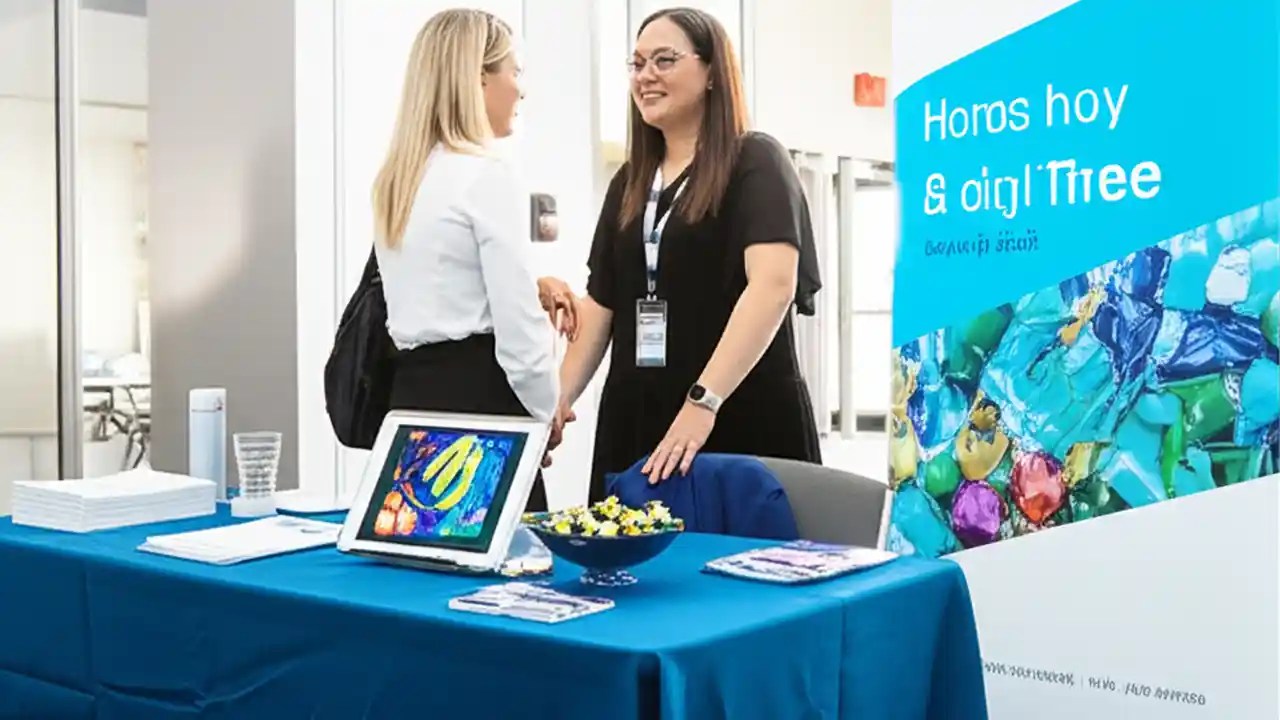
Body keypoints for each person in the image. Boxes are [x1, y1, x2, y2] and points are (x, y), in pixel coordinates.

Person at [556, 7, 823, 497]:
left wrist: (704, 401)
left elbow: (773, 285)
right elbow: (602, 303)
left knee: (739, 564)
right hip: (639, 418)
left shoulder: (755, 161)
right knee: (629, 567)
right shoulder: (630, 183)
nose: (646, 76)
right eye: (637, 64)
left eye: (664, 60)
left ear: (711, 73)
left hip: (733, 413)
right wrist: (558, 398)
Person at [371, 9, 577, 511]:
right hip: (482, 408)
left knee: (422, 564)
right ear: (478, 79)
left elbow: (441, 290)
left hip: (412, 406)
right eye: (514, 72)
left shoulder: (398, 181)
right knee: (509, 578)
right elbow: (518, 332)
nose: (520, 90)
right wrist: (548, 410)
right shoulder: (486, 176)